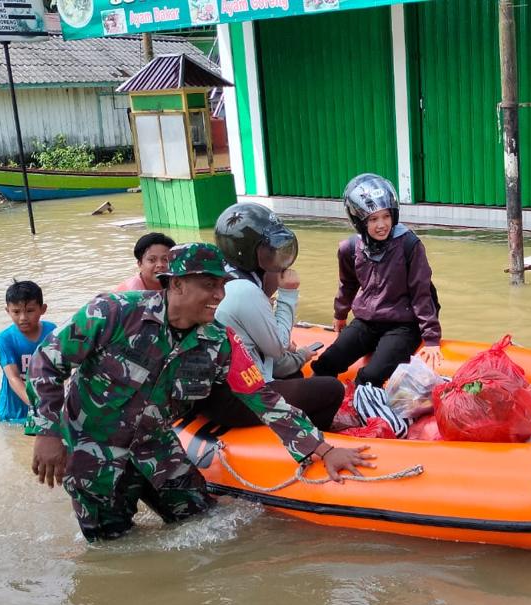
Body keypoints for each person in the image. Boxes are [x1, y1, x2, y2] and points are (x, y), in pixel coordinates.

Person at [27, 243, 375, 542]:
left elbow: (263, 398)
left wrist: (322, 449)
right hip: (93, 449)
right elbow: (47, 361)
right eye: (209, 285)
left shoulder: (219, 341)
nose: (219, 296)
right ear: (176, 285)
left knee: (208, 529)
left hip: (156, 446)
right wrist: (47, 431)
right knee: (112, 549)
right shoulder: (113, 312)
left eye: (222, 285)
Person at [202, 202, 345, 430]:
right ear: (248, 253)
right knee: (332, 389)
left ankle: (293, 426)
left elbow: (273, 359)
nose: (277, 261)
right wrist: (288, 293)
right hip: (236, 396)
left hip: (228, 388)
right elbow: (278, 347)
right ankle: (318, 440)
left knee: (294, 373)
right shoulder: (244, 290)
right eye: (269, 253)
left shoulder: (228, 278)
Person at [311, 173, 442, 387]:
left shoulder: (410, 245)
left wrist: (431, 338)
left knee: (370, 377)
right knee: (326, 363)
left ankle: (363, 411)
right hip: (366, 322)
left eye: (386, 217)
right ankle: (323, 406)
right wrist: (340, 314)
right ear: (360, 222)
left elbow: (422, 292)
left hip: (403, 325)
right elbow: (348, 284)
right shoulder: (350, 248)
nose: (381, 225)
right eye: (373, 219)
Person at [0, 280, 55, 423]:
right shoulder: (4, 339)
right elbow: (13, 377)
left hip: (46, 405)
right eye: (16, 312)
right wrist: (36, 406)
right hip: (14, 413)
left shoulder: (51, 331)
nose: (23, 318)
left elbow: (60, 368)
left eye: (30, 311)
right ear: (8, 311)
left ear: (43, 309)